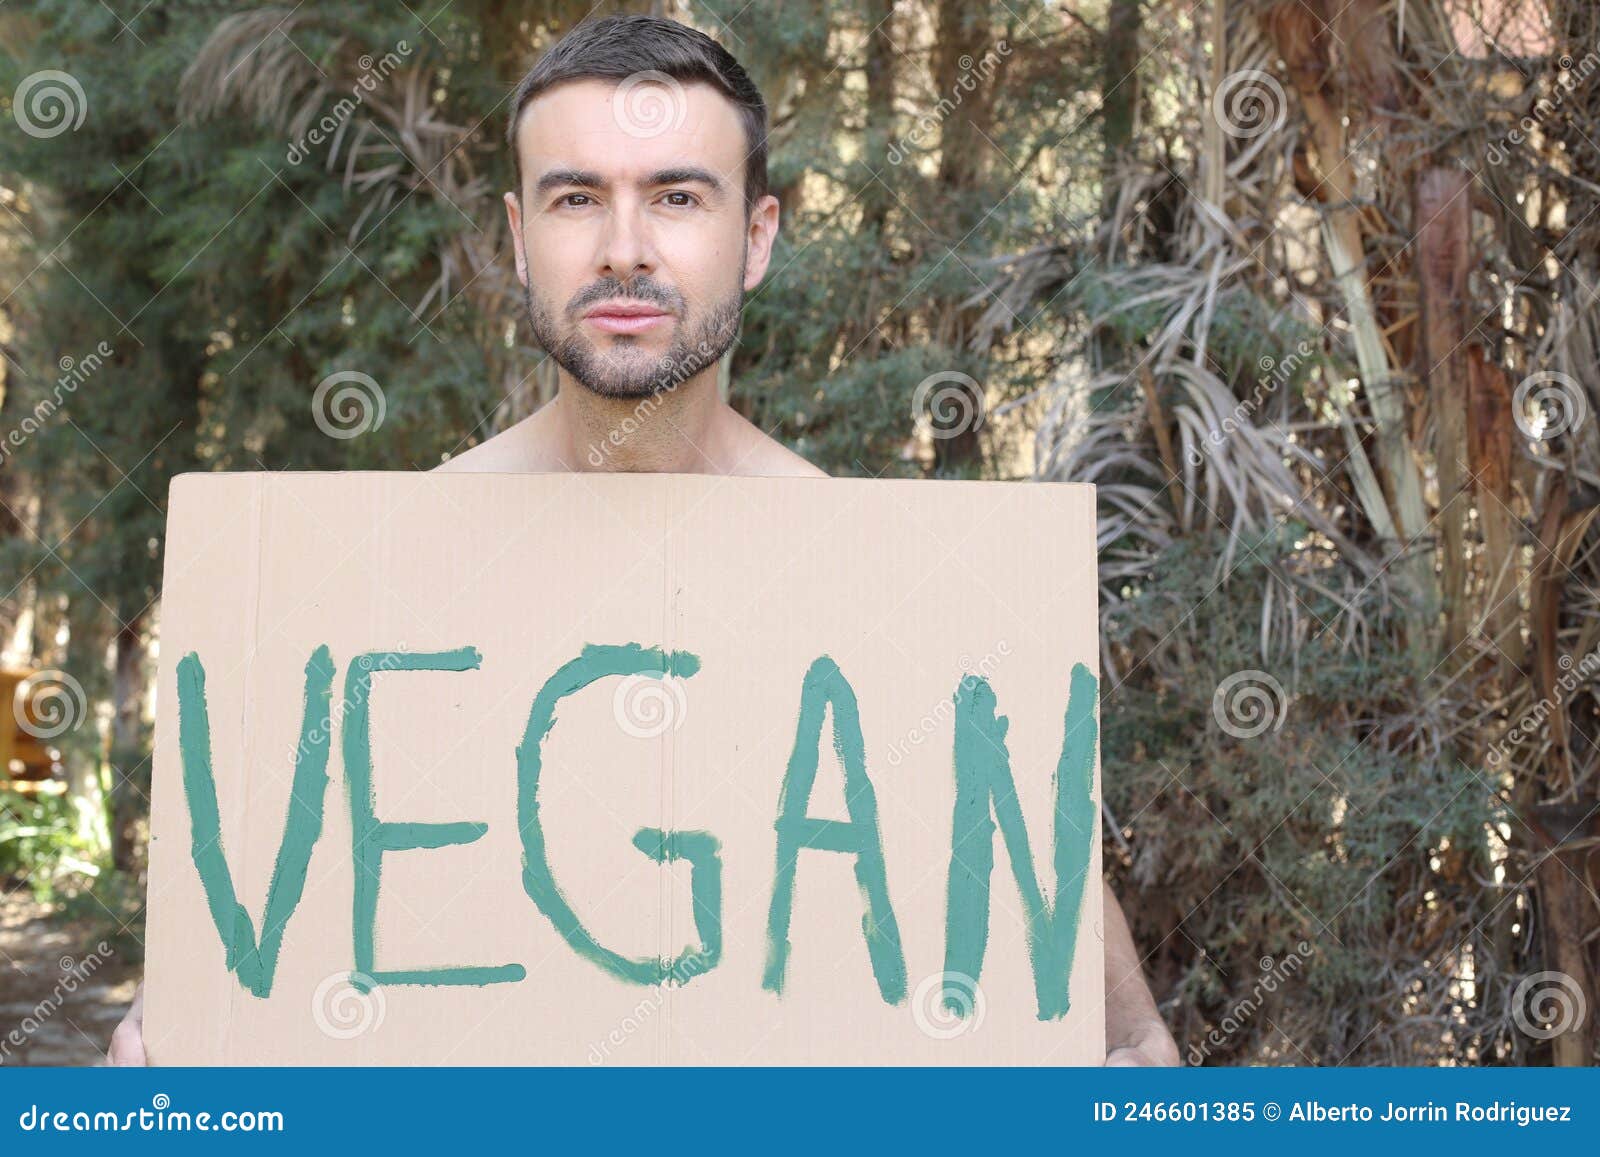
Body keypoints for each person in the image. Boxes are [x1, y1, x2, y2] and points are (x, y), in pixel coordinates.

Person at [111, 13, 1178, 1067]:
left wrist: (1131, 1044)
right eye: (577, 198)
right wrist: (164, 1048)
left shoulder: (883, 590)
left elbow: (1026, 872)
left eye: (676, 196)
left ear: (756, 238)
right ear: (522, 239)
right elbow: (251, 934)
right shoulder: (382, 585)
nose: (624, 250)